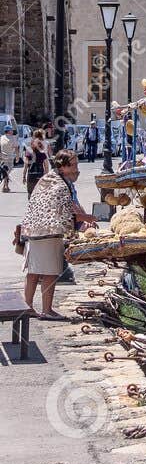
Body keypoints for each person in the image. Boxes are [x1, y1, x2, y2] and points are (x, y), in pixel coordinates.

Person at [21, 148, 97, 320]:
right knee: (50, 273)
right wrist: (87, 217)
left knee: (33, 271)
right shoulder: (59, 184)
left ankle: (27, 307)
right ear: (63, 167)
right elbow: (65, 211)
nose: (77, 169)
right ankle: (46, 310)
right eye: (73, 165)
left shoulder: (49, 179)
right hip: (48, 234)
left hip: (33, 232)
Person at [24, 130, 48, 195]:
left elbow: (26, 164)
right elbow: (46, 165)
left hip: (31, 174)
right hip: (40, 174)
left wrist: (24, 176)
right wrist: (46, 176)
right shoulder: (42, 152)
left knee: (30, 193)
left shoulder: (28, 151)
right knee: (39, 193)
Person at [0, 127, 14, 192]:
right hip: (9, 157)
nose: (12, 131)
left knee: (5, 171)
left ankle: (5, 186)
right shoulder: (12, 138)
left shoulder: (1, 138)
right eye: (11, 130)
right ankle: (5, 186)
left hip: (2, 157)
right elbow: (16, 147)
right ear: (8, 131)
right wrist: (17, 157)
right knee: (7, 172)